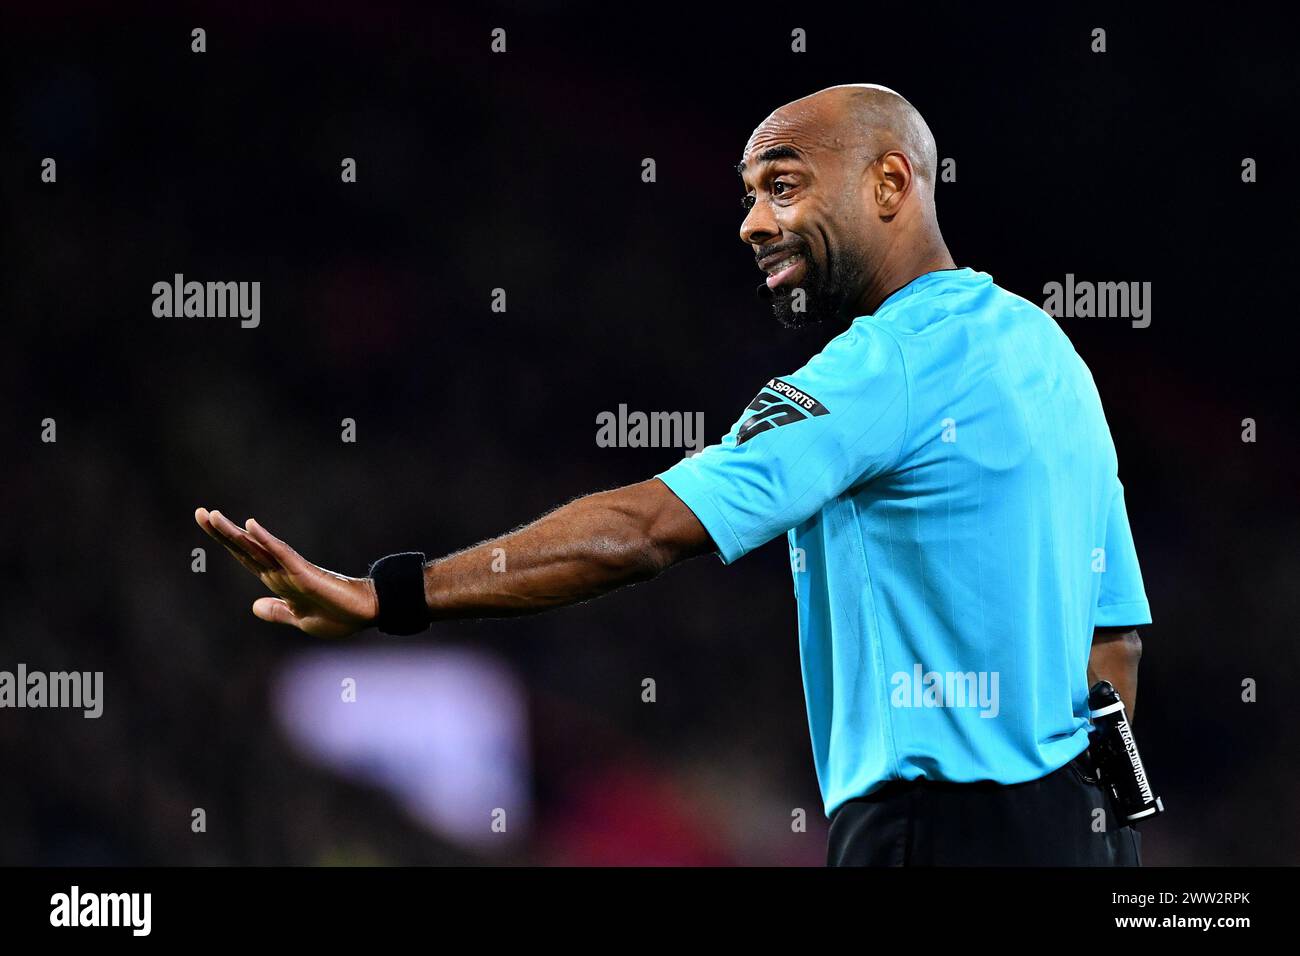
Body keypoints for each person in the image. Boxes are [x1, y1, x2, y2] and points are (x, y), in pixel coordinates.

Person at [196, 83, 1151, 866]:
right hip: (1083, 832)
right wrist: (1100, 833)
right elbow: (1114, 644)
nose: (752, 223)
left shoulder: (887, 362)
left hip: (934, 833)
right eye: (748, 195)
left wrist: (391, 596)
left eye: (783, 186)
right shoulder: (1053, 359)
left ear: (890, 181)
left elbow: (647, 529)